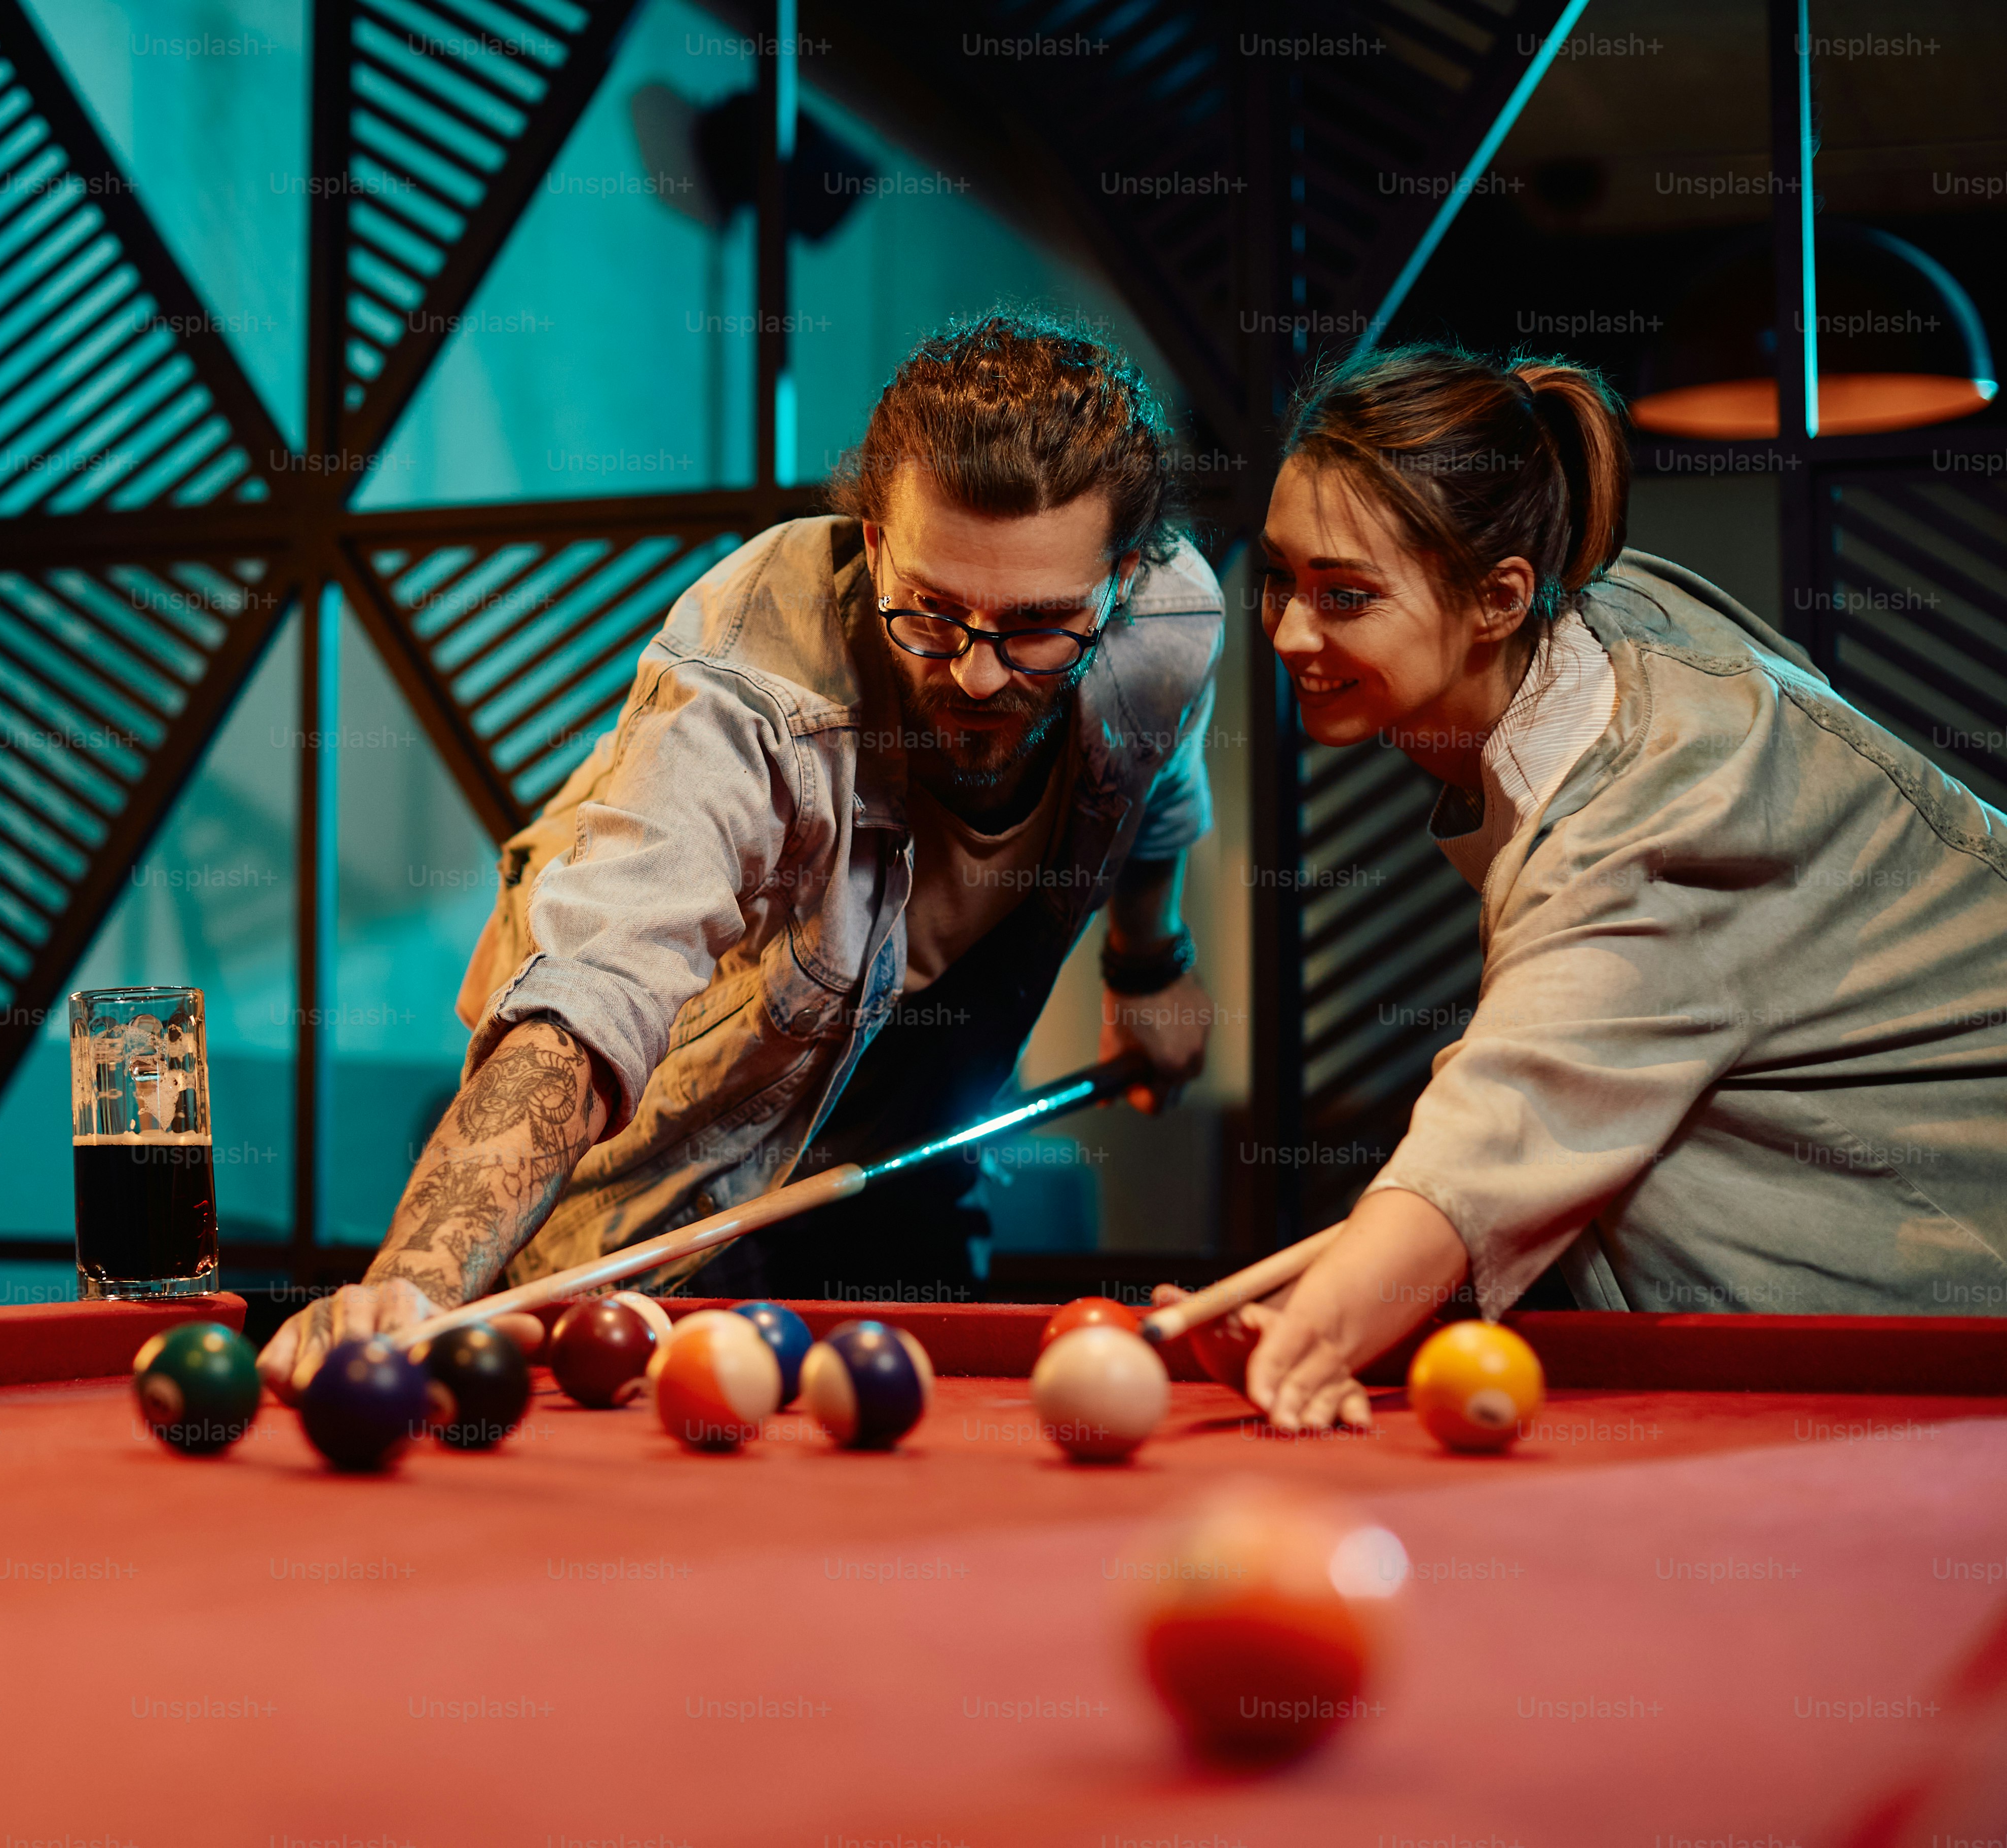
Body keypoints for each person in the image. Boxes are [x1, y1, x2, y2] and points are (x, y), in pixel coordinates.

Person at [263, 311, 1226, 1389]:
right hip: (680, 1164)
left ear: (1129, 580)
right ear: (874, 546)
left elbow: (1150, 783)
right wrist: (418, 1285)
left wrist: (1150, 961)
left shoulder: (1172, 630)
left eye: (1039, 628)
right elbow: (594, 991)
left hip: (911, 1131)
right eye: (934, 614)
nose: (977, 675)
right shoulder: (747, 688)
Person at [1227, 345, 2007, 1433]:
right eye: (1281, 578)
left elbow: (1518, 1102)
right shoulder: (1580, 604)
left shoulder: (1664, 795)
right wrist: (1338, 1291)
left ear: (1501, 597)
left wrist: (1320, 1326)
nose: (1291, 633)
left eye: (1345, 597)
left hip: (1958, 1283)